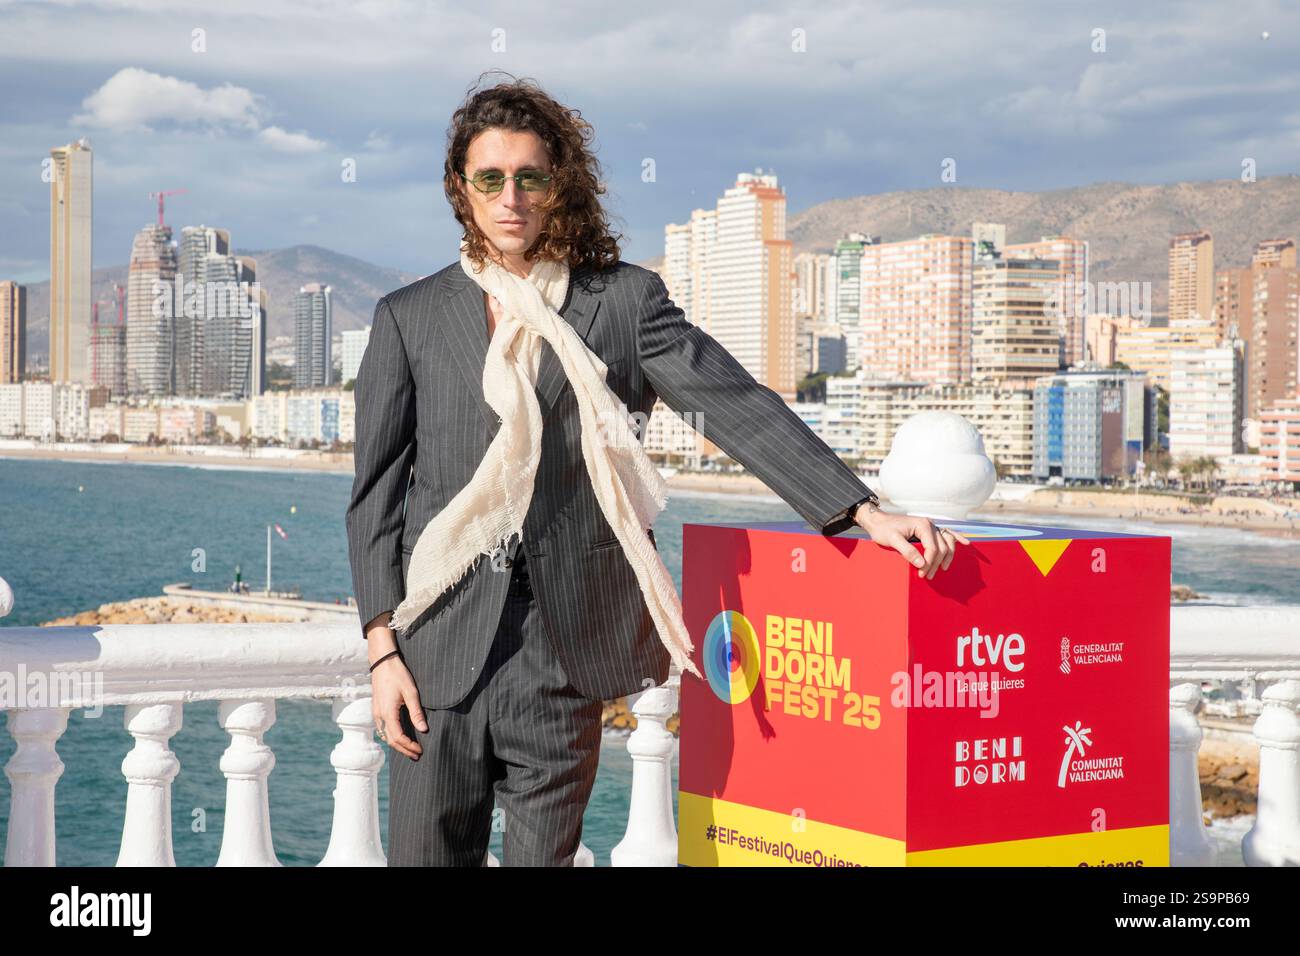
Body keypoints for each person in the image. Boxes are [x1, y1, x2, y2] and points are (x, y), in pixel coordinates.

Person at [345, 73, 967, 867]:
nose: (512, 200)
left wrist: (861, 511)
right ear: (459, 190)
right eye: (490, 179)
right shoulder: (410, 317)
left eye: (531, 178)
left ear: (558, 185)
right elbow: (376, 504)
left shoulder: (623, 304)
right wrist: (382, 651)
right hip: (434, 650)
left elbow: (734, 406)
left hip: (561, 652)